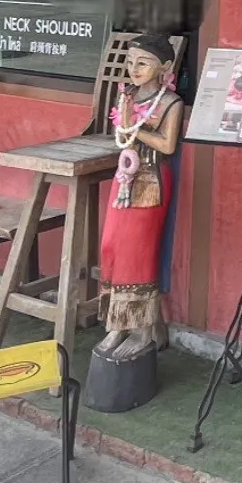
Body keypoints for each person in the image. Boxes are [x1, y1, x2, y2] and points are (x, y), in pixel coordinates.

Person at [96, 31, 185, 360]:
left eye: (143, 63)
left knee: (139, 253)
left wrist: (136, 128)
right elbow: (121, 135)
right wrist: (128, 125)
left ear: (164, 66)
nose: (134, 68)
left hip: (151, 181)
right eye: (130, 62)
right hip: (125, 179)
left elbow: (168, 145)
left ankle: (142, 327)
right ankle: (118, 321)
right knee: (111, 246)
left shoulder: (171, 103)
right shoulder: (128, 95)